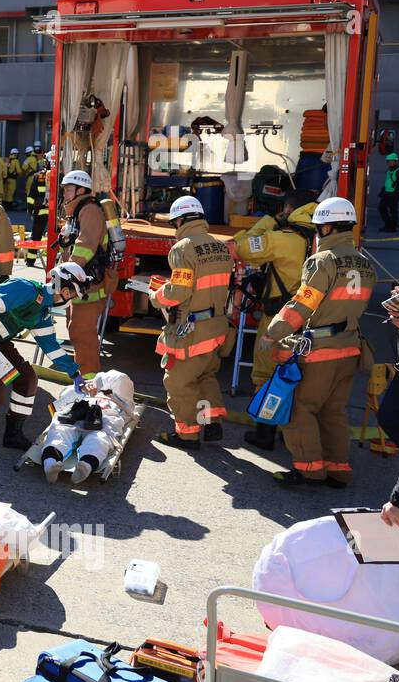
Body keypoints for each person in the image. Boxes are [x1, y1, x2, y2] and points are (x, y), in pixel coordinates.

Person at [259, 197, 374, 487]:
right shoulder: (364, 263)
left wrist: (273, 332)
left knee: (300, 409)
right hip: (350, 348)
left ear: (326, 228)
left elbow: (301, 305)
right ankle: (338, 469)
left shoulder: (322, 261)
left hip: (321, 350)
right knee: (333, 411)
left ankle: (309, 469)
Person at [0, 264, 86, 451]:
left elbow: (50, 346)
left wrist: (75, 374)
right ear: (64, 290)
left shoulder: (43, 312)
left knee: (27, 379)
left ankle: (13, 434)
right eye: (74, 295)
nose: (73, 300)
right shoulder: (25, 289)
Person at [234, 189, 318, 450]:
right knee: (299, 376)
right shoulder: (321, 238)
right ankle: (289, 430)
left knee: (267, 373)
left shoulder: (282, 238)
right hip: (311, 322)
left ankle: (265, 433)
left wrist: (269, 221)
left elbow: (242, 247)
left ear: (288, 209)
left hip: (278, 318)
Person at [149, 195, 235, 448]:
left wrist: (156, 296)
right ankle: (212, 423)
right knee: (206, 374)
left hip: (193, 330)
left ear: (182, 220)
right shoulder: (219, 246)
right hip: (218, 325)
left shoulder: (183, 248)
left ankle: (186, 434)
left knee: (178, 381)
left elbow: (180, 292)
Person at [56, 170, 110, 377]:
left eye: (69, 190)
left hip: (88, 287)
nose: (66, 194)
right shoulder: (77, 212)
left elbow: (85, 245)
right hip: (77, 285)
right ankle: (82, 380)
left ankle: (89, 386)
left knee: (83, 334)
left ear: (81, 190)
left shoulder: (89, 211)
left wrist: (66, 271)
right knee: (75, 331)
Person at [39, 370, 137, 484]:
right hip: (75, 415)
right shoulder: (83, 389)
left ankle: (85, 466)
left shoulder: (123, 400)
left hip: (103, 419)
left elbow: (120, 378)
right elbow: (63, 396)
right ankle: (50, 465)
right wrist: (83, 387)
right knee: (60, 432)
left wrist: (98, 385)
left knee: (99, 440)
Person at [24, 149, 49, 267]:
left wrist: (30, 209)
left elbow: (31, 195)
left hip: (40, 212)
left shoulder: (38, 176)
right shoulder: (60, 176)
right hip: (56, 214)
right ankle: (55, 260)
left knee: (36, 236)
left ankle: (30, 260)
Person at [379, 152, 399, 232]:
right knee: (381, 208)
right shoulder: (389, 170)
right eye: (388, 161)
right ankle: (388, 225)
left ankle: (392, 228)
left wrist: (396, 190)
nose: (389, 162)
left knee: (393, 210)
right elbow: (388, 182)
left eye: (391, 161)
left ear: (395, 161)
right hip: (387, 192)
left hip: (394, 193)